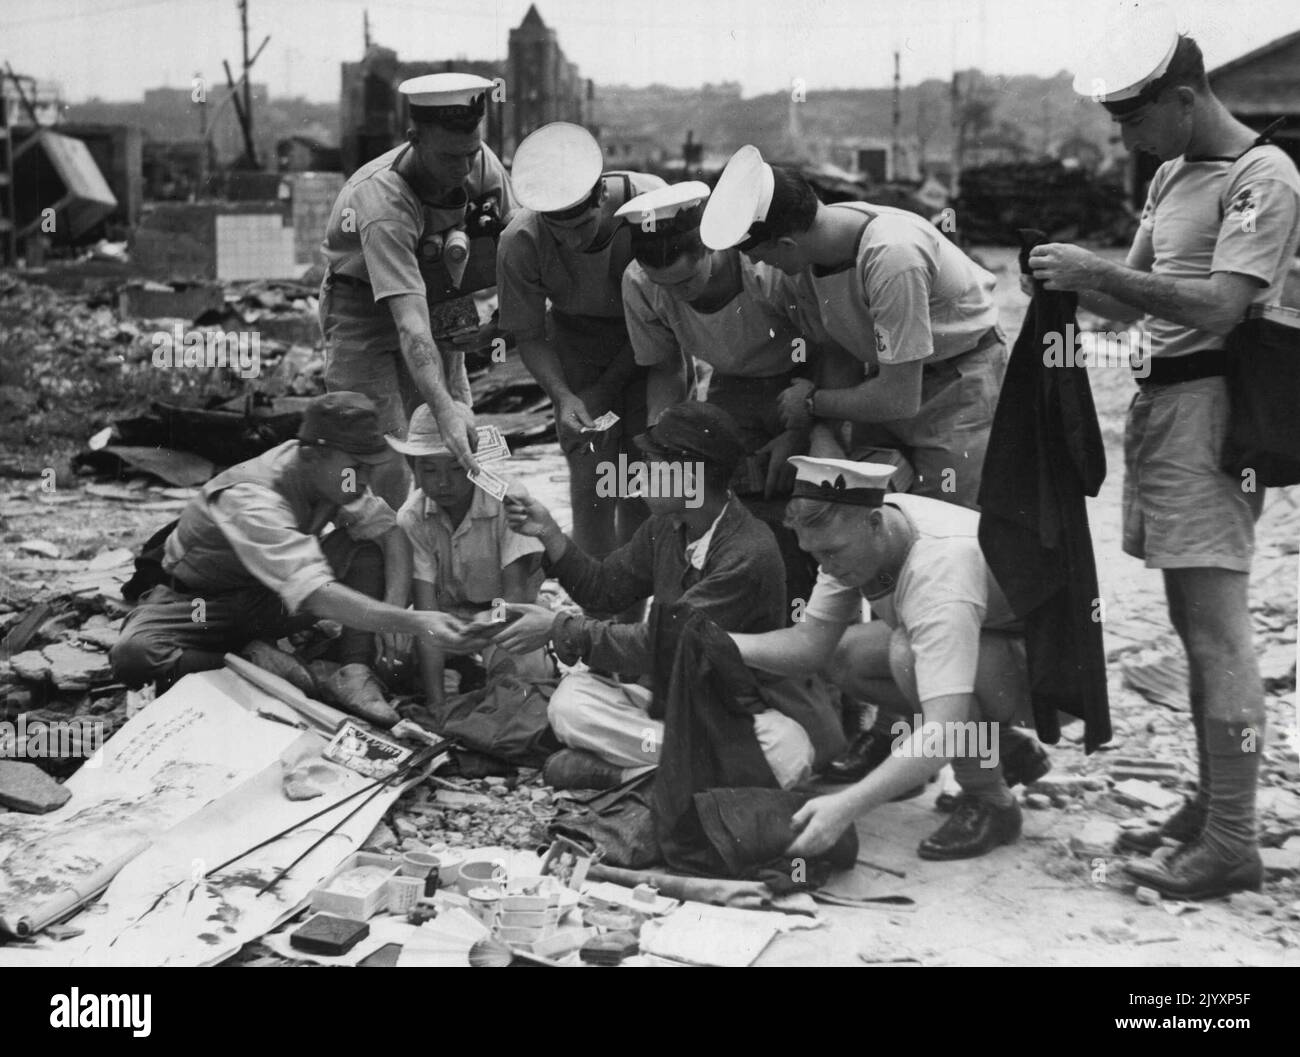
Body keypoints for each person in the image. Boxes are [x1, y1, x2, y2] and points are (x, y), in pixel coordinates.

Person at [1029, 23, 1300, 899]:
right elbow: (1127, 307)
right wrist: (1069, 280)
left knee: (1219, 632)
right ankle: (1210, 803)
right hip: (1161, 407)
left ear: (1185, 99)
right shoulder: (1172, 175)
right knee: (1189, 625)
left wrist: (1099, 273)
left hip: (1215, 407)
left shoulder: (1265, 175)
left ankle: (1232, 839)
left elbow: (1223, 306)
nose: (1125, 140)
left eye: (1135, 120)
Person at [490, 402, 843, 790]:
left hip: (735, 714)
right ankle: (678, 775)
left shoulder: (747, 553)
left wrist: (559, 627)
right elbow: (605, 588)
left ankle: (630, 774)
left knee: (786, 751)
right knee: (570, 703)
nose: (638, 476)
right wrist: (550, 533)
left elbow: (665, 642)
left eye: (652, 467)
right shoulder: (666, 526)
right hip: (668, 706)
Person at [733, 457, 1050, 861]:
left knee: (908, 655)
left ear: (874, 523)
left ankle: (991, 801)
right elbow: (811, 644)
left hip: (1040, 672)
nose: (825, 567)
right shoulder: (858, 526)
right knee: (844, 655)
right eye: (815, 555)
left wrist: (845, 807)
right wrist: (723, 642)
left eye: (831, 553)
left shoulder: (939, 569)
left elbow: (945, 727)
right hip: (990, 641)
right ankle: (995, 743)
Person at [700, 145, 1006, 510]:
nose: (761, 266)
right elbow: (836, 347)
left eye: (762, 257)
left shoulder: (892, 257)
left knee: (945, 518)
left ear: (785, 243)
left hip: (956, 387)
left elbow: (899, 397)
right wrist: (819, 434)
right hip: (885, 383)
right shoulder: (811, 253)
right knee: (871, 509)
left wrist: (813, 404)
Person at [110, 392, 482, 691]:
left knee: (366, 551)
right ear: (311, 455)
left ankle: (352, 673)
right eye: (357, 466)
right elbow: (314, 593)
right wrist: (412, 621)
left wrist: (392, 617)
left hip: (268, 600)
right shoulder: (251, 498)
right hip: (201, 605)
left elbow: (390, 535)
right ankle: (260, 664)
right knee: (134, 656)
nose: (365, 479)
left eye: (370, 467)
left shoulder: (333, 476)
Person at [617, 180, 824, 610]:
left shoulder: (764, 270)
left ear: (711, 248)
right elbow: (664, 365)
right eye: (666, 285)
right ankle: (739, 618)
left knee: (809, 502)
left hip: (809, 380)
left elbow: (829, 347)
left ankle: (804, 624)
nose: (678, 294)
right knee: (728, 496)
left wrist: (800, 432)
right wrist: (662, 442)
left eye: (687, 280)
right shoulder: (639, 283)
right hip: (733, 383)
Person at [320, 73, 516, 506]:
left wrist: (500, 325)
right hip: (363, 309)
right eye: (449, 157)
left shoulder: (480, 162)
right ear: (414, 139)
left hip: (439, 294)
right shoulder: (382, 201)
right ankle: (385, 558)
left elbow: (521, 254)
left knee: (447, 443)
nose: (464, 169)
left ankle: (441, 560)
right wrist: (442, 409)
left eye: (470, 153)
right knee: (380, 452)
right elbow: (410, 327)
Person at [496, 122, 665, 562]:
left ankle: (629, 616)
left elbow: (666, 318)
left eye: (584, 224)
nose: (574, 239)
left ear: (601, 197)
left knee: (641, 483)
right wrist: (563, 395)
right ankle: (597, 607)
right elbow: (530, 334)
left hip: (653, 344)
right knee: (591, 482)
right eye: (560, 233)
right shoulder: (520, 241)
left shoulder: (649, 205)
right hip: (577, 346)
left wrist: (608, 387)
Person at [388, 405, 553, 709]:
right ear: (413, 468)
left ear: (474, 463)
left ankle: (478, 676)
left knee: (528, 675)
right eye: (430, 470)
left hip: (503, 614)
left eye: (455, 468)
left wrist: (484, 623)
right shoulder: (411, 517)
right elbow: (427, 612)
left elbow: (515, 601)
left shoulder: (508, 499)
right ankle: (462, 677)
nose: (443, 483)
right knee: (392, 664)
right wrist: (438, 707)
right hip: (449, 619)